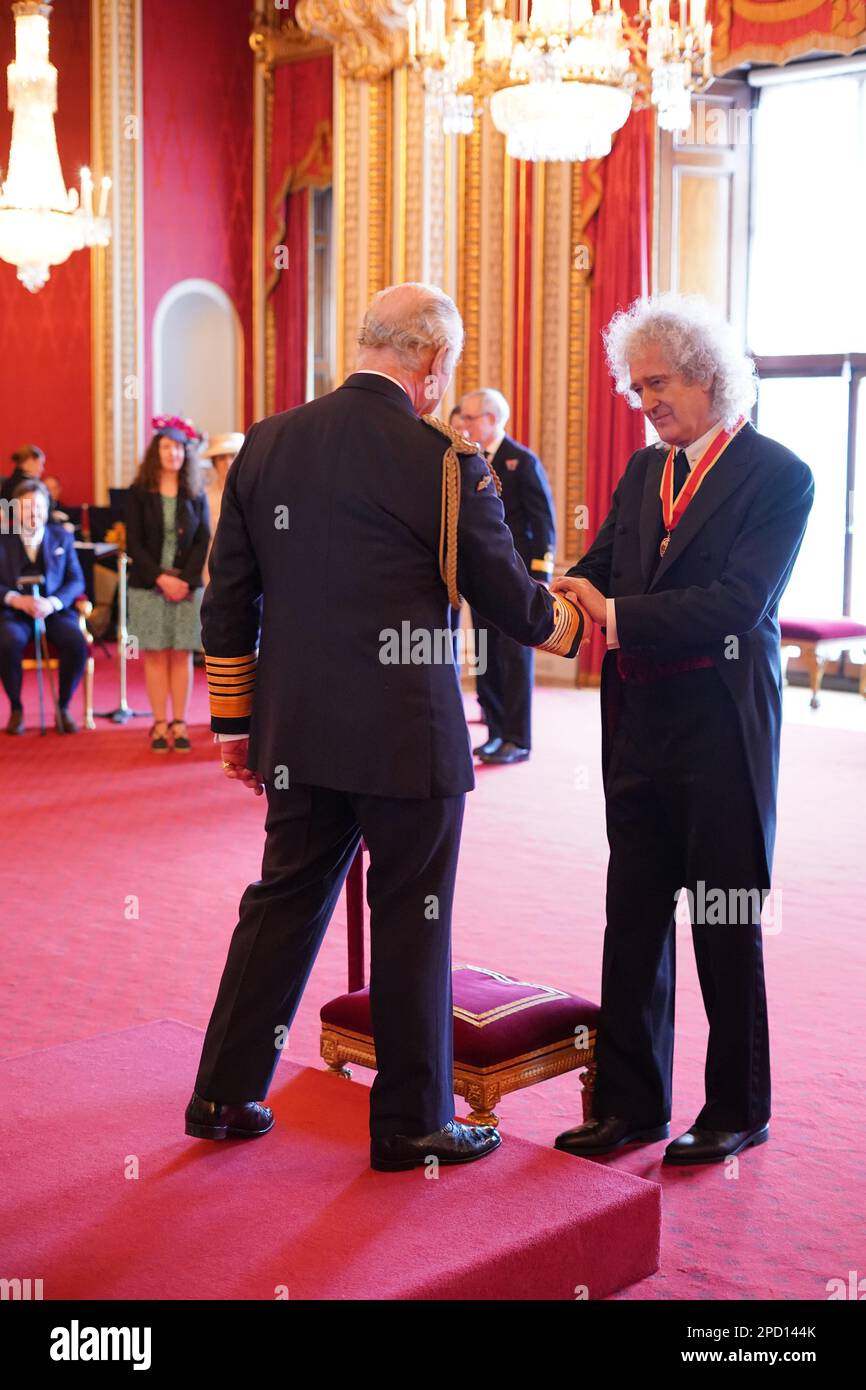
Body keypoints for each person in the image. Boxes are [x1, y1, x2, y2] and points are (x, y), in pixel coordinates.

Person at [185, 282, 588, 1171]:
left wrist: (232, 723)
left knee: (281, 903)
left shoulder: (267, 443)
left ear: (364, 345)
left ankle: (222, 1092)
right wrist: (579, 618)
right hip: (407, 739)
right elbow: (508, 602)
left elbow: (229, 599)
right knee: (414, 918)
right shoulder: (444, 460)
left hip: (295, 734)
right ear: (435, 367)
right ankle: (411, 1124)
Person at [552, 292, 814, 1166]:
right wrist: (547, 589)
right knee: (632, 916)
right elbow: (595, 568)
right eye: (637, 389)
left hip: (722, 726)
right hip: (637, 721)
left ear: (708, 375)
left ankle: (738, 1106)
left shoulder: (779, 475)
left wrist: (615, 614)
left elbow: (739, 604)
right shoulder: (641, 472)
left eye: (657, 383)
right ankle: (631, 1103)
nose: (647, 401)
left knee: (724, 917)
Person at [459, 388, 556, 764]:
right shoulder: (471, 460)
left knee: (514, 660)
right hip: (482, 578)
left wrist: (540, 576)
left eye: (470, 418)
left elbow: (543, 522)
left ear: (492, 419)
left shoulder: (521, 461)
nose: (464, 425)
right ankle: (497, 733)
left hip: (517, 580)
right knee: (487, 658)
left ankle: (518, 738)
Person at [125, 417, 210, 753]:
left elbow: (202, 540)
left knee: (181, 655)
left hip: (186, 586)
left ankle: (180, 721)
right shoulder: (138, 492)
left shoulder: (195, 491)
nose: (172, 452)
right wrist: (160, 578)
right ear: (155, 452)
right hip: (148, 584)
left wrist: (185, 581)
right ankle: (159, 723)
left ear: (185, 453)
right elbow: (133, 542)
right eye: (165, 447)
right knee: (157, 655)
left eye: (177, 447)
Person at [0, 478, 89, 734]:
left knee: (75, 643)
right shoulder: (3, 539)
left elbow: (76, 580)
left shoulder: (62, 537)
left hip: (53, 611)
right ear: (15, 509)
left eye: (39, 507)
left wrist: (52, 602)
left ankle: (63, 706)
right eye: (27, 508)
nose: (33, 514)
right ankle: (16, 708)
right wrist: (16, 599)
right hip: (14, 612)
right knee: (7, 642)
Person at [200, 432, 244, 586]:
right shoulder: (204, 497)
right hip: (212, 567)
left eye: (232, 456)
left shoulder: (254, 494)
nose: (227, 463)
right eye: (221, 458)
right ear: (214, 462)